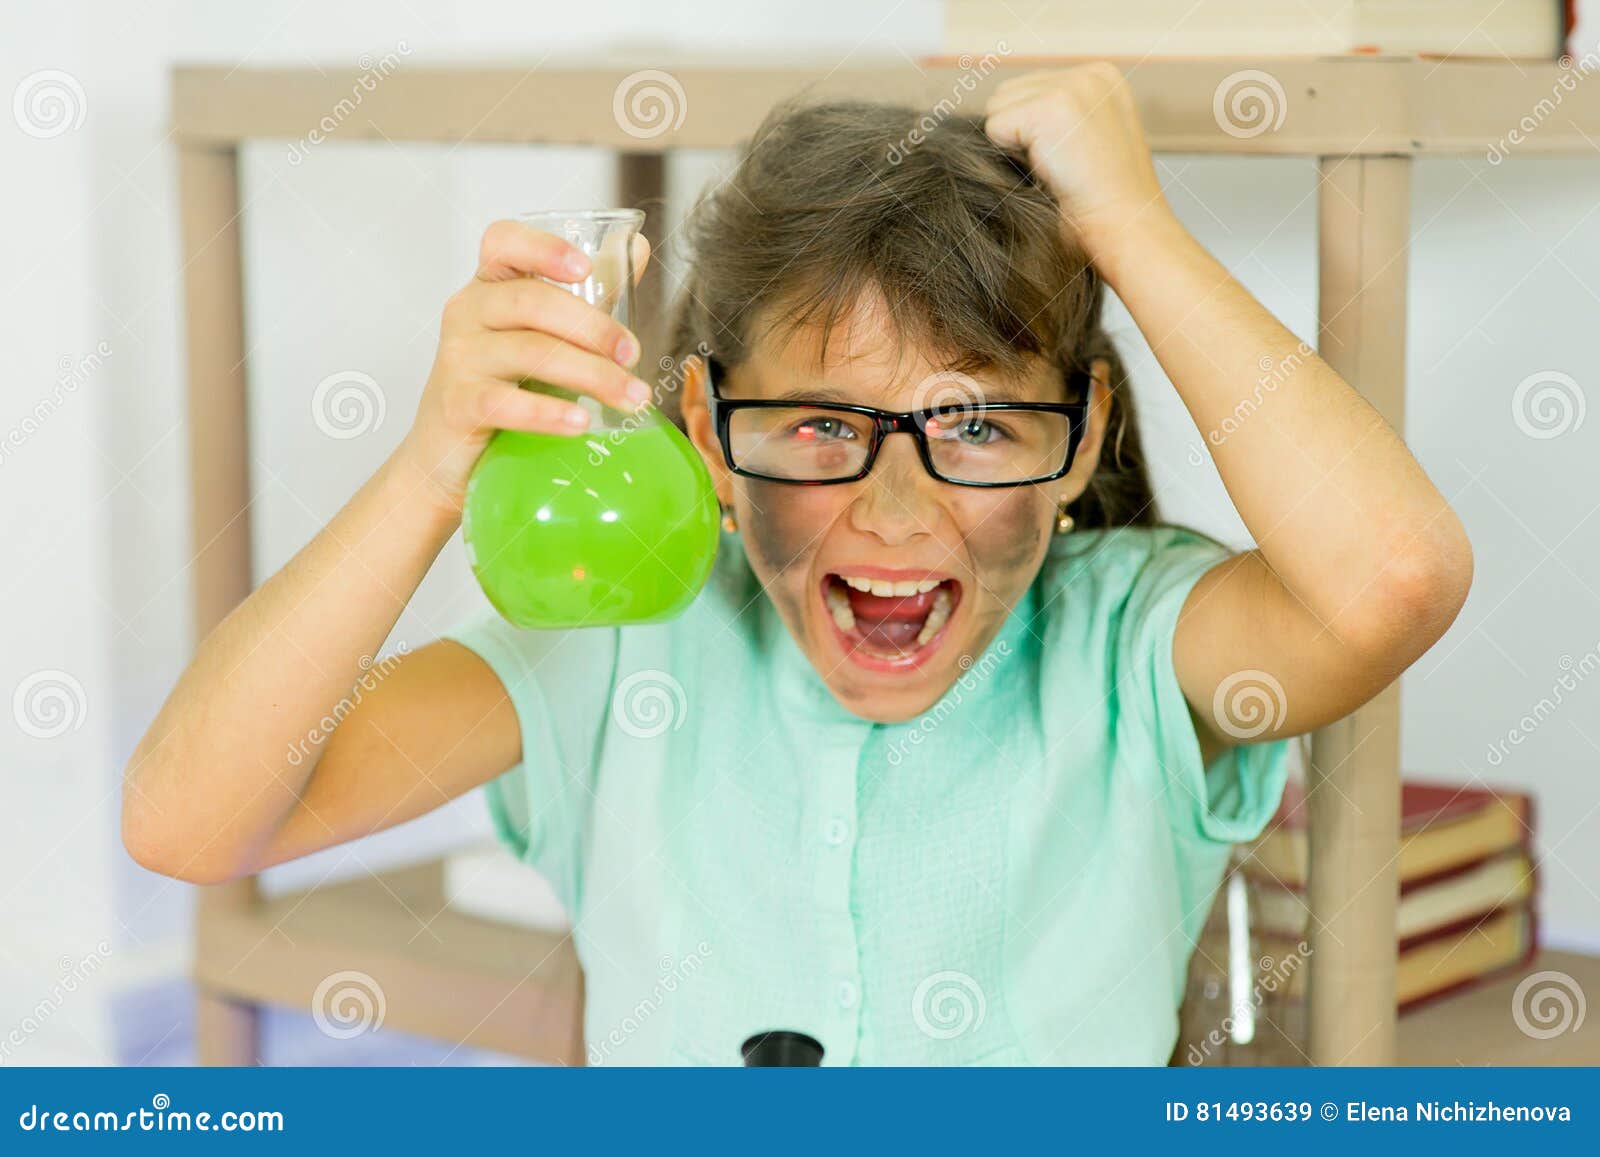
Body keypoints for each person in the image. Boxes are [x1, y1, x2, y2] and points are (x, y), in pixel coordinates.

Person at [123, 67, 1473, 1064]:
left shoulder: (1127, 647)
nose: (895, 512)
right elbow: (191, 817)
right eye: (824, 425)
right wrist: (433, 462)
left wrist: (1134, 229)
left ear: (1080, 443)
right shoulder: (621, 649)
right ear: (707, 433)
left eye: (979, 423)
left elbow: (1396, 573)